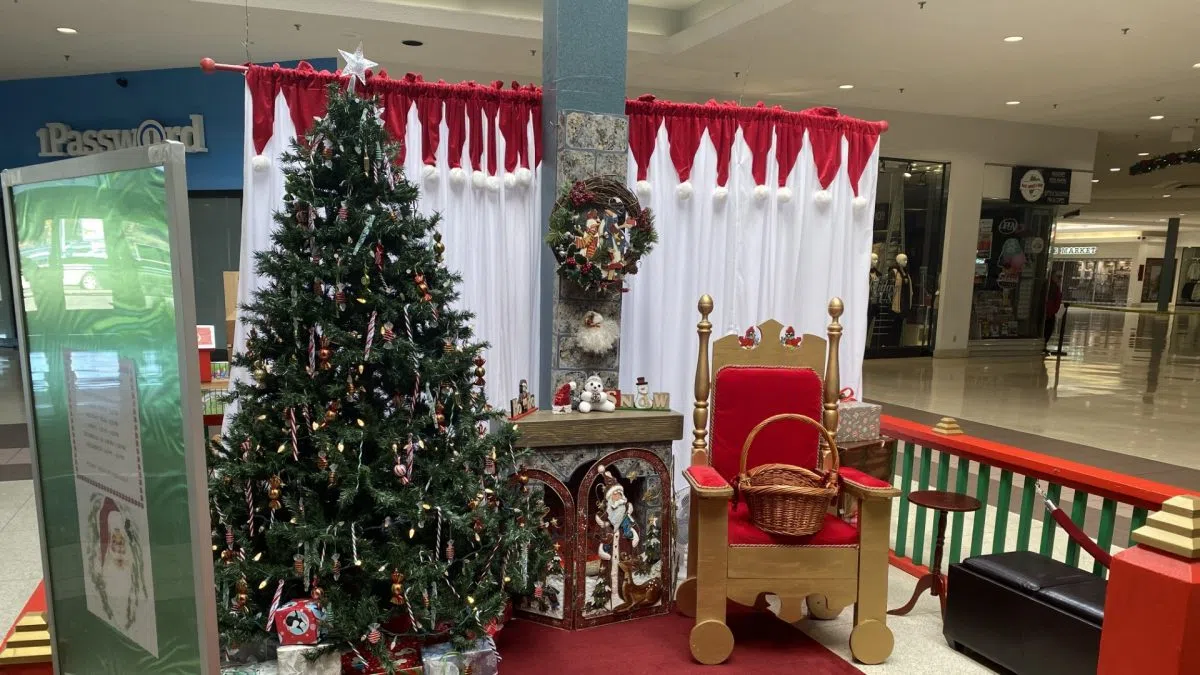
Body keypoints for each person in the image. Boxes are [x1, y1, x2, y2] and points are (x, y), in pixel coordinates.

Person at [1044, 270, 1063, 351]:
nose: (1059, 279)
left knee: (1048, 329)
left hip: (1050, 312)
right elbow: (1051, 300)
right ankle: (1043, 344)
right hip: (1049, 313)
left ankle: (1044, 344)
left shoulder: (1053, 286)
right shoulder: (1052, 286)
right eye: (1058, 277)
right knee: (1048, 329)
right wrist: (1050, 312)